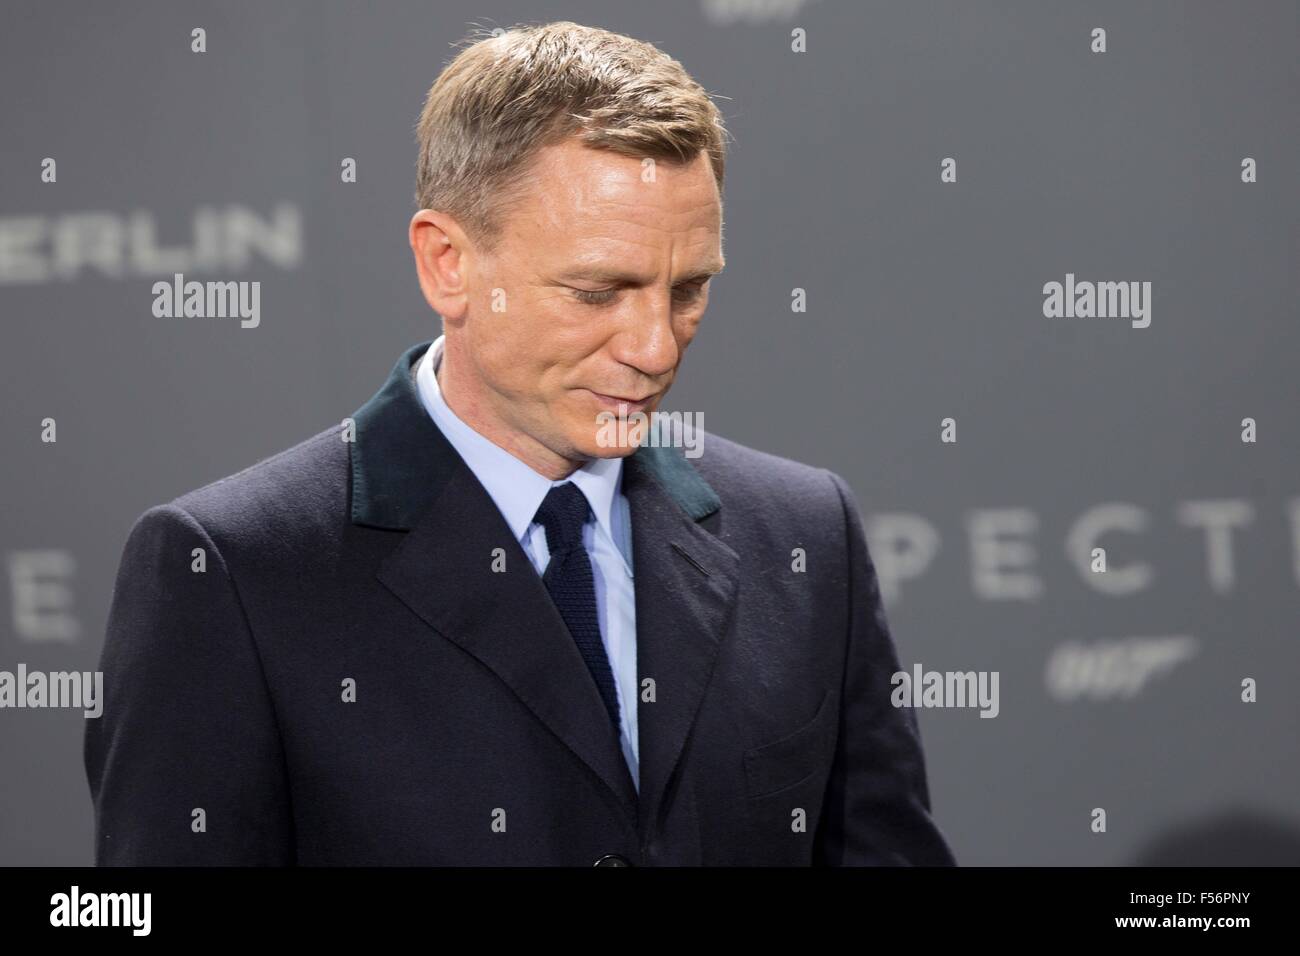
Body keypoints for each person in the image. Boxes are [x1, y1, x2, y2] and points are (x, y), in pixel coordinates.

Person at [84, 21, 955, 866]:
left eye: (688, 289)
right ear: (447, 265)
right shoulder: (230, 574)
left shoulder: (804, 536)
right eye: (596, 290)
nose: (655, 347)